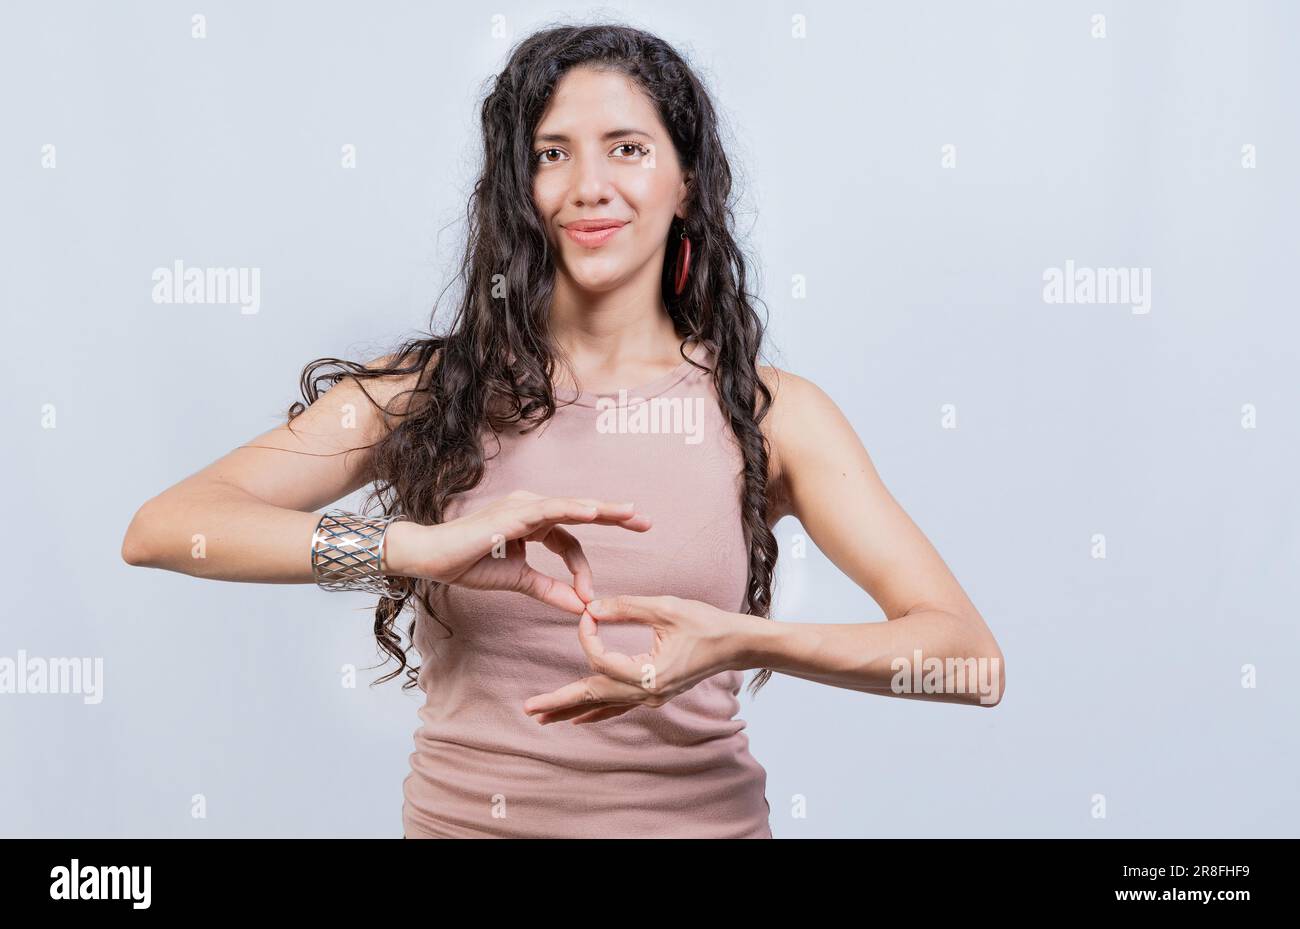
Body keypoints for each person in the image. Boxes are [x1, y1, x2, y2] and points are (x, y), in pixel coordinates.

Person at [121, 23, 1005, 839]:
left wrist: (740, 641)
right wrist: (409, 547)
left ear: (685, 183)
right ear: (520, 188)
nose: (590, 185)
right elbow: (165, 528)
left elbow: (970, 661)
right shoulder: (431, 393)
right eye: (553, 154)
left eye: (628, 148)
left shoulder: (776, 416)